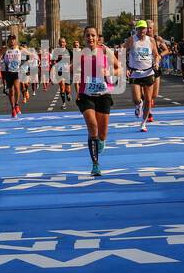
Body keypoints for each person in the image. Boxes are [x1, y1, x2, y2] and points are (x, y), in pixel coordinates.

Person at [76, 26, 121, 177]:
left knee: (102, 134)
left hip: (103, 94)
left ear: (97, 37)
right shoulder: (80, 54)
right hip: (86, 95)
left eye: (93, 35)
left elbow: (119, 69)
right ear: (84, 38)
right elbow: (72, 69)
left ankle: (100, 141)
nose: (90, 38)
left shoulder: (105, 51)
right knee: (93, 128)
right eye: (87, 35)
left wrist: (109, 72)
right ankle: (95, 164)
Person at [123, 20, 158, 132]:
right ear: (136, 29)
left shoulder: (151, 40)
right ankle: (138, 105)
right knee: (137, 99)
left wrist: (156, 62)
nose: (142, 31)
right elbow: (121, 53)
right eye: (139, 28)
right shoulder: (132, 40)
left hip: (148, 73)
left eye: (143, 28)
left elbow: (156, 55)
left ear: (147, 29)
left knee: (148, 99)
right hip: (135, 73)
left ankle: (143, 123)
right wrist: (126, 67)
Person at [1, 34, 24, 116]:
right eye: (10, 39)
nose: (12, 41)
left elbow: (29, 53)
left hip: (17, 72)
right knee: (11, 91)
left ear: (15, 41)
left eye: (13, 39)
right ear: (8, 41)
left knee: (17, 88)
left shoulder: (19, 48)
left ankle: (17, 105)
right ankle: (13, 108)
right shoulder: (5, 49)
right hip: (8, 72)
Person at [51, 37, 73, 108]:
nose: (62, 43)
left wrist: (70, 65)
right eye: (60, 42)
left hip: (67, 72)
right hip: (59, 72)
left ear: (65, 43)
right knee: (62, 87)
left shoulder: (69, 51)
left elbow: (73, 60)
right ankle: (64, 103)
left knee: (68, 89)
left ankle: (68, 94)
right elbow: (53, 62)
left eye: (63, 42)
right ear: (59, 43)